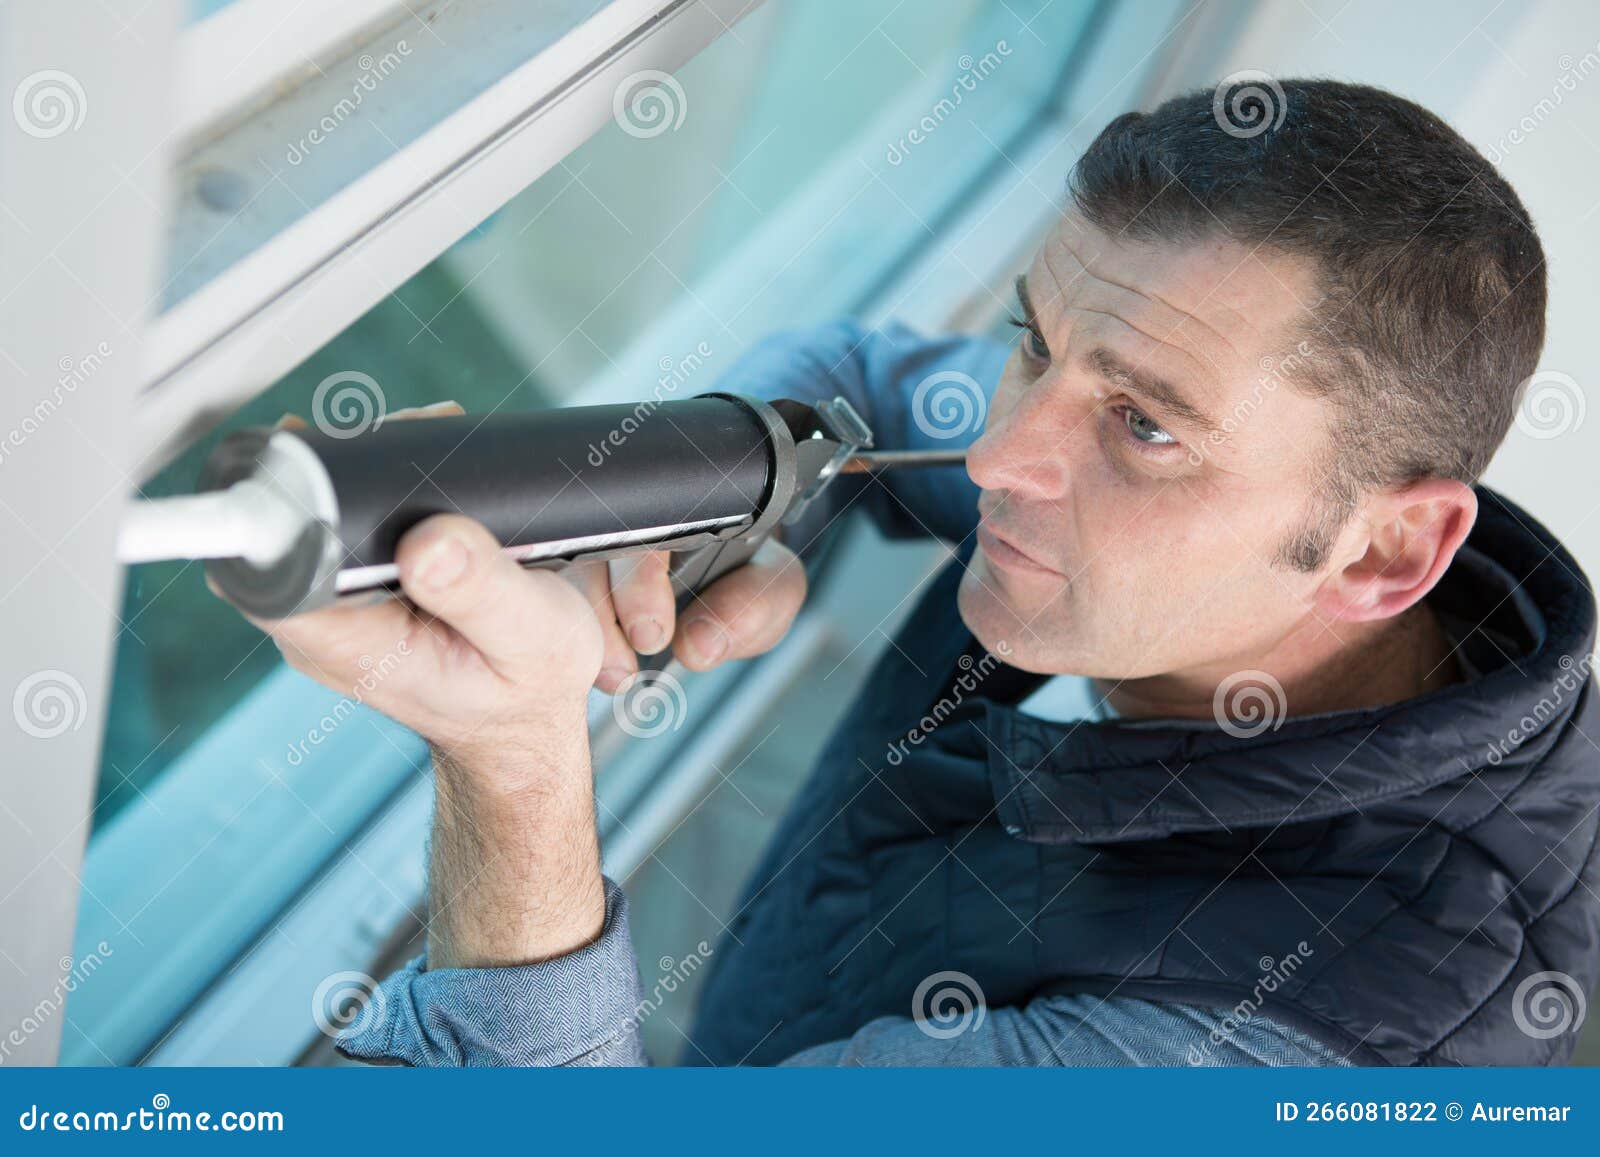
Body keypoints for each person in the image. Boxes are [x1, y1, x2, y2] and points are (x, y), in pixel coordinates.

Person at [240, 80, 1599, 1066]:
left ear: (1388, 550)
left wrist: (514, 760)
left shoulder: (1266, 1045)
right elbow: (856, 386)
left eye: (1144, 426)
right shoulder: (1222, 484)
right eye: (1031, 340)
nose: (1000, 453)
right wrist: (705, 508)